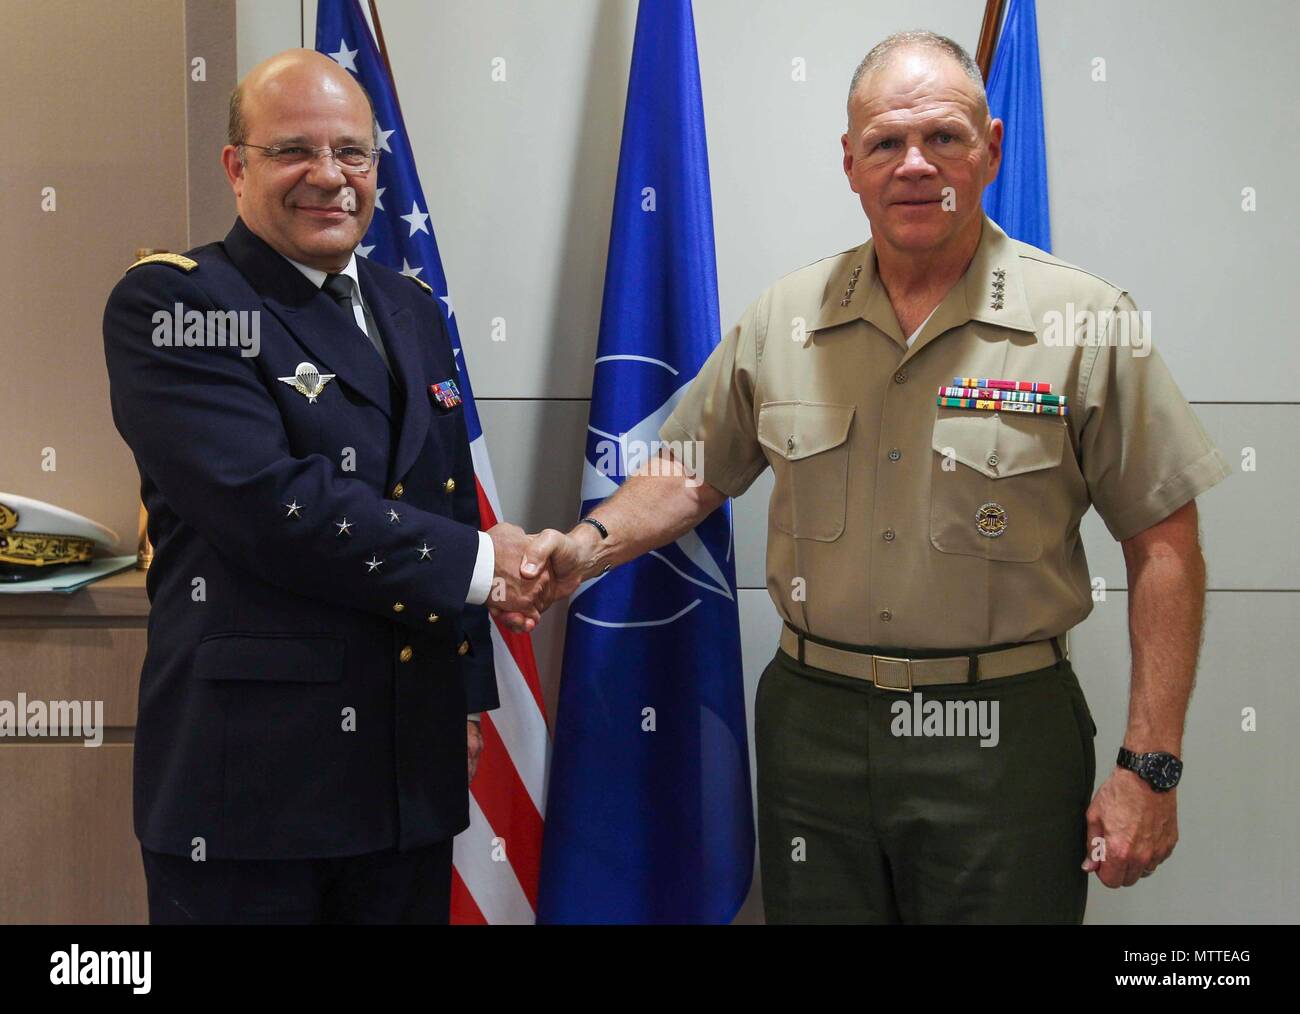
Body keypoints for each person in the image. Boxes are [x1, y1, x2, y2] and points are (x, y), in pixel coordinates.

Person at [521, 30, 1229, 923]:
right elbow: (693, 470)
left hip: (1003, 734)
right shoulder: (783, 319)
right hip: (815, 730)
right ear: (850, 162)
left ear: (992, 149)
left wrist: (1149, 764)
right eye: (886, 142)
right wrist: (585, 546)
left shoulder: (1088, 323)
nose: (914, 165)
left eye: (945, 137)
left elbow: (1164, 539)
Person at [102, 49, 548, 924]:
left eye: (353, 153)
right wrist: (487, 563)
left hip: (403, 773)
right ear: (236, 167)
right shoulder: (179, 303)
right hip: (251, 788)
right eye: (293, 151)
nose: (330, 177)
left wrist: (462, 701)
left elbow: (443, 492)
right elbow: (271, 505)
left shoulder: (406, 306)